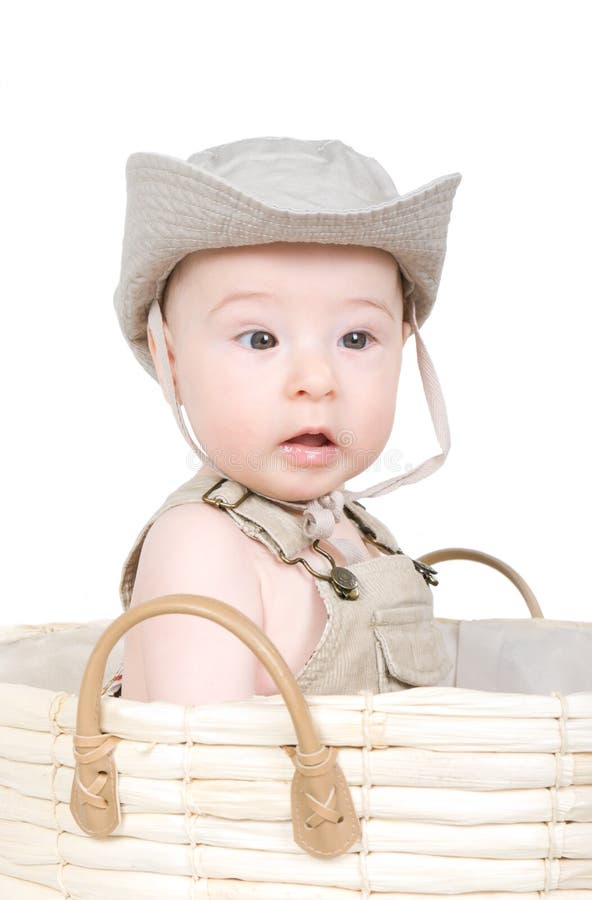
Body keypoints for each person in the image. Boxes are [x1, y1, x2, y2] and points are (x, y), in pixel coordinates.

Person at [102, 136, 462, 705]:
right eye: (261, 338)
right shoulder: (204, 543)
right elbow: (206, 774)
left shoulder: (355, 529)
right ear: (169, 355)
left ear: (403, 341)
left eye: (356, 338)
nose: (316, 379)